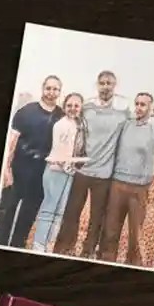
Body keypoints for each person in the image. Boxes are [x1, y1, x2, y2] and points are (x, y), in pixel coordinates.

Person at [52, 70, 131, 258]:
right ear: (97, 84)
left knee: (97, 217)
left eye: (109, 83)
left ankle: (87, 251)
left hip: (103, 175)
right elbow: (68, 121)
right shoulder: (86, 108)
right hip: (82, 170)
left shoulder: (123, 114)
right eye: (102, 83)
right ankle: (63, 247)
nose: (105, 86)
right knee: (72, 212)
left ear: (114, 86)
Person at [99, 92, 154, 266]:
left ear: (150, 108)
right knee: (110, 231)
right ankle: (106, 262)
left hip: (139, 188)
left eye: (143, 105)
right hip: (118, 184)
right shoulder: (125, 125)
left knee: (135, 234)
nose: (138, 108)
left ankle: (133, 265)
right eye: (137, 104)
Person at [0, 76, 63, 248]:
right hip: (19, 169)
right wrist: (7, 170)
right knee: (6, 210)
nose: (51, 92)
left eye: (55, 89)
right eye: (48, 88)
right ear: (42, 88)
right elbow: (12, 142)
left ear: (60, 92)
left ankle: (17, 244)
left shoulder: (61, 116)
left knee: (28, 214)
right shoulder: (26, 111)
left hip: (42, 173)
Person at [31, 92, 87, 253]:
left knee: (59, 210)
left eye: (76, 106)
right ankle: (39, 244)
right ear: (64, 106)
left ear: (81, 108)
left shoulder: (78, 125)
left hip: (67, 171)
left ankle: (49, 243)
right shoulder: (61, 125)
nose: (73, 108)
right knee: (49, 208)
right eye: (69, 105)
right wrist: (67, 165)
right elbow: (59, 150)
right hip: (55, 170)